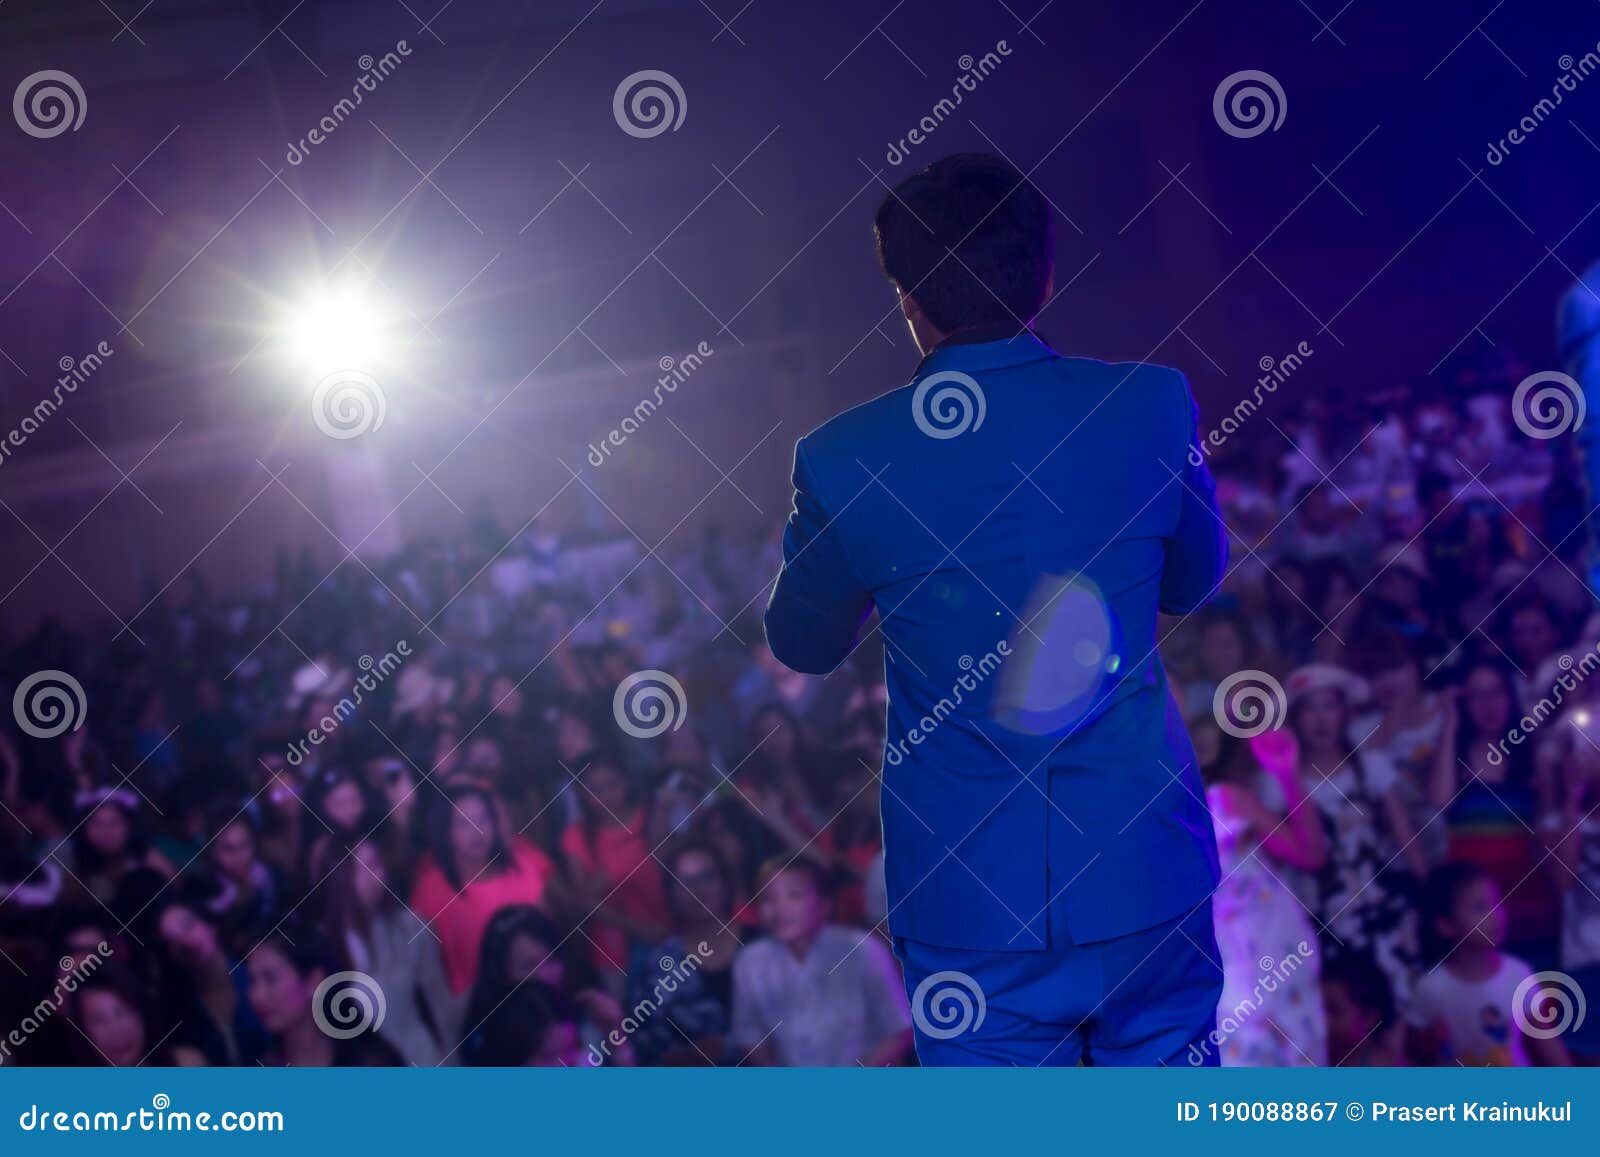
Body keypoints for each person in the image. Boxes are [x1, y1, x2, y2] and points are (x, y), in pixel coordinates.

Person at [762, 151, 1227, 1066]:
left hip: (970, 905)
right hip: (1145, 874)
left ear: (908, 299)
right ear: (1044, 276)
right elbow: (1192, 581)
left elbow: (804, 642)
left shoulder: (842, 456)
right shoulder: (1150, 402)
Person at [1203, 729, 1328, 1066]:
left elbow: (1311, 854)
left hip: (1281, 951)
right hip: (1220, 973)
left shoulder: (1224, 799)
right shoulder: (1140, 822)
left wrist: (1287, 774)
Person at [729, 859, 911, 1067]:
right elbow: (750, 1036)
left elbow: (899, 1030)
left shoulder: (864, 949)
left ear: (824, 905)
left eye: (794, 895)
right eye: (768, 898)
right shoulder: (750, 961)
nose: (780, 908)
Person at [1405, 864, 1570, 1066]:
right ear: (1445, 925)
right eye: (1480, 908)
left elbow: (1551, 1049)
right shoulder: (1431, 987)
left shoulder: (1518, 974)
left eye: (1496, 903)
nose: (1494, 915)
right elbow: (1415, 1055)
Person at [410, 784, 561, 994]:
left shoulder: (523, 868)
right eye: (463, 823)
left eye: (483, 820)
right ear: (445, 831)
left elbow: (547, 941)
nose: (476, 831)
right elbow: (426, 969)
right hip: (470, 1010)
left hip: (537, 995)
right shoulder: (430, 889)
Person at [324, 836, 460, 1066]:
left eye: (376, 864)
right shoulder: (324, 946)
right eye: (359, 869)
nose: (372, 877)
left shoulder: (410, 927)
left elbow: (441, 1007)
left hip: (419, 1058)